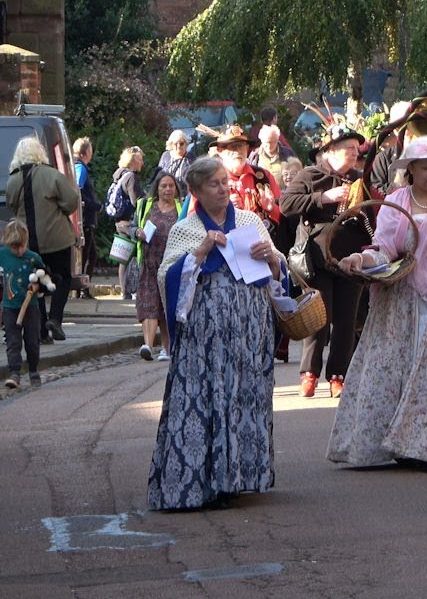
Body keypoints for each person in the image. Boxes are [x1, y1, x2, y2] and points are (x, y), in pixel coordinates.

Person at [327, 137, 427, 470]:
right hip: (400, 298)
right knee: (391, 369)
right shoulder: (396, 202)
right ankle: (382, 444)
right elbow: (382, 249)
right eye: (426, 166)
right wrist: (361, 259)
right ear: (410, 169)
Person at [148, 156, 285, 511]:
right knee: (209, 396)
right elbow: (166, 276)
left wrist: (271, 256)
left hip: (248, 330)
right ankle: (206, 481)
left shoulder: (251, 221)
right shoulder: (187, 229)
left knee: (243, 396)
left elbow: (279, 270)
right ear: (195, 192)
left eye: (225, 182)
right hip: (203, 338)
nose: (223, 189)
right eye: (214, 184)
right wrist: (200, 251)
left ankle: (240, 478)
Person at [281, 122, 367, 398]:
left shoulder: (359, 180)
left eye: (356, 149)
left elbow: (377, 213)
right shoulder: (310, 174)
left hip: (350, 258)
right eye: (348, 149)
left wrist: (363, 216)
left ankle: (338, 375)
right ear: (330, 151)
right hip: (317, 258)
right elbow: (286, 205)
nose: (354, 153)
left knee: (346, 319)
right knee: (320, 317)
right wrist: (323, 197)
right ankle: (309, 373)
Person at [8, 137, 80, 343]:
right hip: (57, 239)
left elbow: (13, 206)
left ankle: (40, 331)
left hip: (27, 242)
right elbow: (71, 201)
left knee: (34, 284)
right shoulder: (52, 175)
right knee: (62, 278)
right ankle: (55, 319)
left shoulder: (13, 180)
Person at [130, 171, 180, 362]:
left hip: (171, 265)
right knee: (149, 303)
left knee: (167, 305)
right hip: (149, 264)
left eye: (171, 186)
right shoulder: (145, 205)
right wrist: (138, 232)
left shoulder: (181, 207)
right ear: (157, 189)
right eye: (163, 186)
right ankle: (148, 346)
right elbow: (133, 228)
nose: (167, 189)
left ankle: (167, 348)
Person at [211, 126, 286, 252]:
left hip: (264, 247)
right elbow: (195, 219)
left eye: (241, 146)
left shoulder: (264, 176)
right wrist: (222, 208)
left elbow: (284, 216)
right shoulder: (209, 180)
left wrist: (271, 209)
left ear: (247, 148)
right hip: (226, 251)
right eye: (232, 147)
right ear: (220, 150)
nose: (238, 151)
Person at [1, 220, 45, 389]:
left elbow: (44, 277)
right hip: (10, 307)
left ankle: (33, 369)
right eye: (15, 248)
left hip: (31, 306)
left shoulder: (33, 258)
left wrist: (38, 285)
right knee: (13, 341)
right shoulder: (3, 255)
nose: (19, 251)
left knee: (32, 340)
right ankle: (14, 372)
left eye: (22, 247)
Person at [112, 146, 145, 300]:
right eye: (140, 159)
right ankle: (128, 290)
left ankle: (123, 291)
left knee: (123, 258)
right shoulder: (131, 177)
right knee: (132, 256)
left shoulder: (119, 175)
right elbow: (135, 201)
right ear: (134, 160)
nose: (142, 163)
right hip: (129, 222)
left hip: (119, 221)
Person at [72, 137, 99, 297]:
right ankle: (82, 290)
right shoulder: (81, 169)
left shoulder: (75, 166)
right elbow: (78, 191)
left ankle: (80, 290)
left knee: (87, 254)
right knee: (89, 254)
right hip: (85, 219)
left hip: (82, 218)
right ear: (87, 152)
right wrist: (95, 206)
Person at [152, 130, 192, 195]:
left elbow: (195, 179)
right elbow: (159, 175)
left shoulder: (190, 157)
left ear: (186, 144)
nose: (178, 146)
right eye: (175, 144)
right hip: (166, 194)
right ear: (171, 144)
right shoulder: (166, 155)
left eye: (181, 143)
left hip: (183, 196)